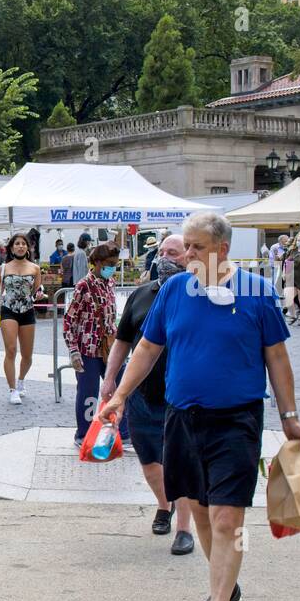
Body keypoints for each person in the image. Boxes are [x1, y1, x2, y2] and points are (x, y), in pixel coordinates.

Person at [99, 211, 300, 601]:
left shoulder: (257, 291)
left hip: (237, 420)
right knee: (196, 507)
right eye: (186, 247)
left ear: (222, 250)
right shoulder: (174, 291)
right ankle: (227, 587)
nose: (187, 255)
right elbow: (149, 347)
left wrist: (289, 414)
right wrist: (119, 395)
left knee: (227, 517)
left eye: (196, 247)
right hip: (182, 417)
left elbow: (277, 357)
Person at [101, 234, 194, 556]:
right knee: (149, 459)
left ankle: (184, 528)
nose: (165, 258)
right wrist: (111, 380)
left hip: (181, 394)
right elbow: (123, 341)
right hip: (142, 392)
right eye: (162, 252)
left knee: (180, 460)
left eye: (174, 253)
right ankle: (163, 505)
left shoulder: (199, 296)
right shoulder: (142, 295)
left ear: (190, 257)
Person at [64, 241, 127, 446]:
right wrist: (74, 351)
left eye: (115, 263)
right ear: (97, 262)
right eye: (109, 263)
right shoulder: (84, 285)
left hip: (109, 349)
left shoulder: (111, 283)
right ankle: (84, 434)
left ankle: (124, 432)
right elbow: (69, 320)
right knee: (88, 394)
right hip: (87, 350)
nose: (112, 267)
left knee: (121, 389)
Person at [0, 232, 43, 405]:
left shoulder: (35, 268)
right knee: (11, 349)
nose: (20, 246)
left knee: (27, 356)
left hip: (27, 311)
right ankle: (12, 389)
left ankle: (21, 380)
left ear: (28, 248)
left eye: (23, 243)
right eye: (17, 243)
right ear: (11, 247)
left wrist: (39, 294)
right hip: (9, 310)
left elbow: (36, 292)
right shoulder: (4, 267)